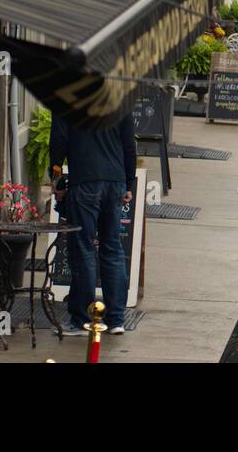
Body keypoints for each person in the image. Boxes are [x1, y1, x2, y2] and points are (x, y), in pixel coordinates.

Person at [50, 112, 136, 335]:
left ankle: (82, 320)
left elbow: (59, 141)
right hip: (115, 182)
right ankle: (116, 319)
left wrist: (57, 180)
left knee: (83, 248)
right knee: (112, 248)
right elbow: (129, 144)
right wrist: (128, 184)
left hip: (85, 181)